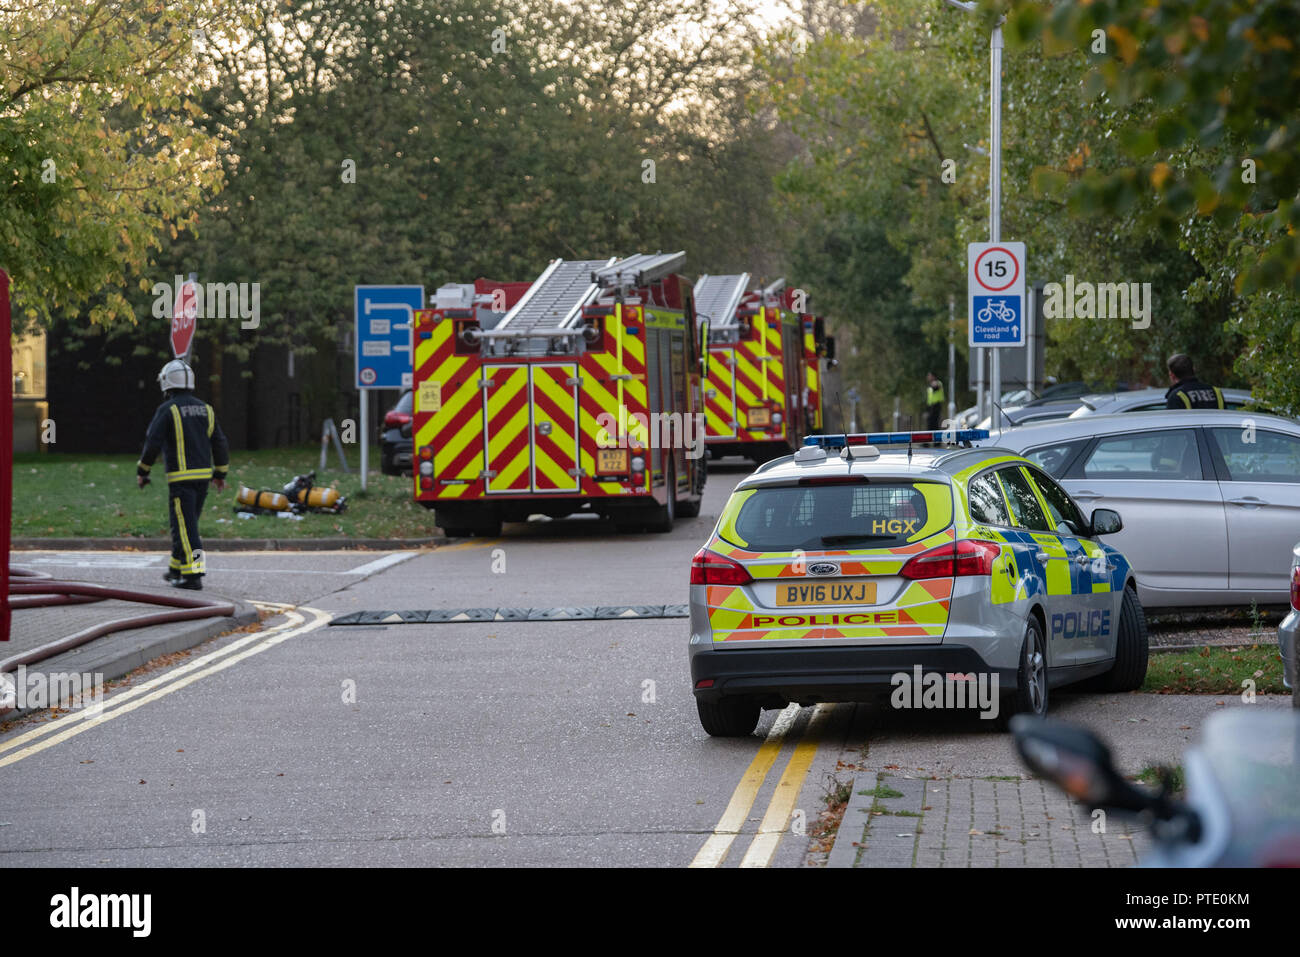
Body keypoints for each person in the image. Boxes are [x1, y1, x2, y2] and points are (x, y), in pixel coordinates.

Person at [136, 359, 229, 589]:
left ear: (166, 382)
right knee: (186, 526)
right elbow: (220, 442)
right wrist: (220, 473)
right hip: (202, 479)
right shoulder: (206, 409)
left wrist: (143, 470)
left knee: (187, 529)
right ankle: (176, 568)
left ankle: (194, 575)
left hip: (181, 480)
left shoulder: (167, 410)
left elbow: (152, 442)